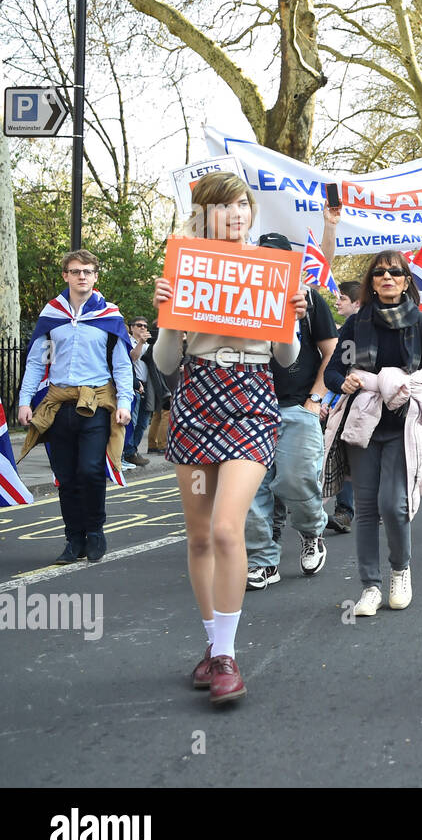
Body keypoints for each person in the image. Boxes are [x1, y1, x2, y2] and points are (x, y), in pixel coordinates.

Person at [152, 171, 308, 706]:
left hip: (250, 400)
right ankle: (211, 642)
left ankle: (226, 656)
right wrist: (168, 317)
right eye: (224, 206)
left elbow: (287, 360)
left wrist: (290, 318)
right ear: (203, 215)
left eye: (243, 204)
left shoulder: (271, 269)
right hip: (196, 398)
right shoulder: (185, 266)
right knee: (198, 536)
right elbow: (167, 363)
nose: (237, 214)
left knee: (225, 528)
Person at [323, 250, 422, 616]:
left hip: (404, 428)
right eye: (379, 273)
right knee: (365, 508)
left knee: (394, 505)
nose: (387, 277)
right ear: (372, 282)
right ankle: (370, 587)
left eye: (395, 272)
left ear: (406, 280)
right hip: (363, 428)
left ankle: (400, 570)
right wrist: (344, 381)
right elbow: (333, 371)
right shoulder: (355, 325)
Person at [17, 250, 134, 564]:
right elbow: (35, 363)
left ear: (96, 276)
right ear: (66, 276)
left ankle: (95, 532)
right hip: (58, 405)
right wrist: (25, 401)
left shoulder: (109, 316)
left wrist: (125, 403)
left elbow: (122, 366)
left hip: (95, 404)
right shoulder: (51, 314)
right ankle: (74, 539)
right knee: (65, 477)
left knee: (90, 470)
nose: (82, 276)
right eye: (75, 271)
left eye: (88, 271)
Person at [242, 232, 339, 589]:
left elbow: (333, 353)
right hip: (250, 410)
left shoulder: (309, 300)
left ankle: (312, 532)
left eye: (277, 257)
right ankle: (263, 560)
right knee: (252, 491)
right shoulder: (242, 297)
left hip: (297, 406)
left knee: (296, 480)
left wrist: (315, 400)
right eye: (261, 255)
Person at [326, 279, 362, 532]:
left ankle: (380, 505)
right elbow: (338, 369)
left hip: (380, 405)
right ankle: (344, 510)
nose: (337, 302)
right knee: (347, 452)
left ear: (357, 302)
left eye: (343, 299)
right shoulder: (351, 328)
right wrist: (330, 398)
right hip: (349, 402)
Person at [121, 317, 155, 468]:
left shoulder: (148, 344)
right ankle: (127, 452)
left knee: (143, 422)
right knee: (132, 421)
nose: (142, 328)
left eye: (145, 326)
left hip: (148, 386)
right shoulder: (127, 342)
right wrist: (140, 342)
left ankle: (132, 451)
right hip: (133, 386)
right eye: (139, 325)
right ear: (131, 327)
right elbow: (131, 358)